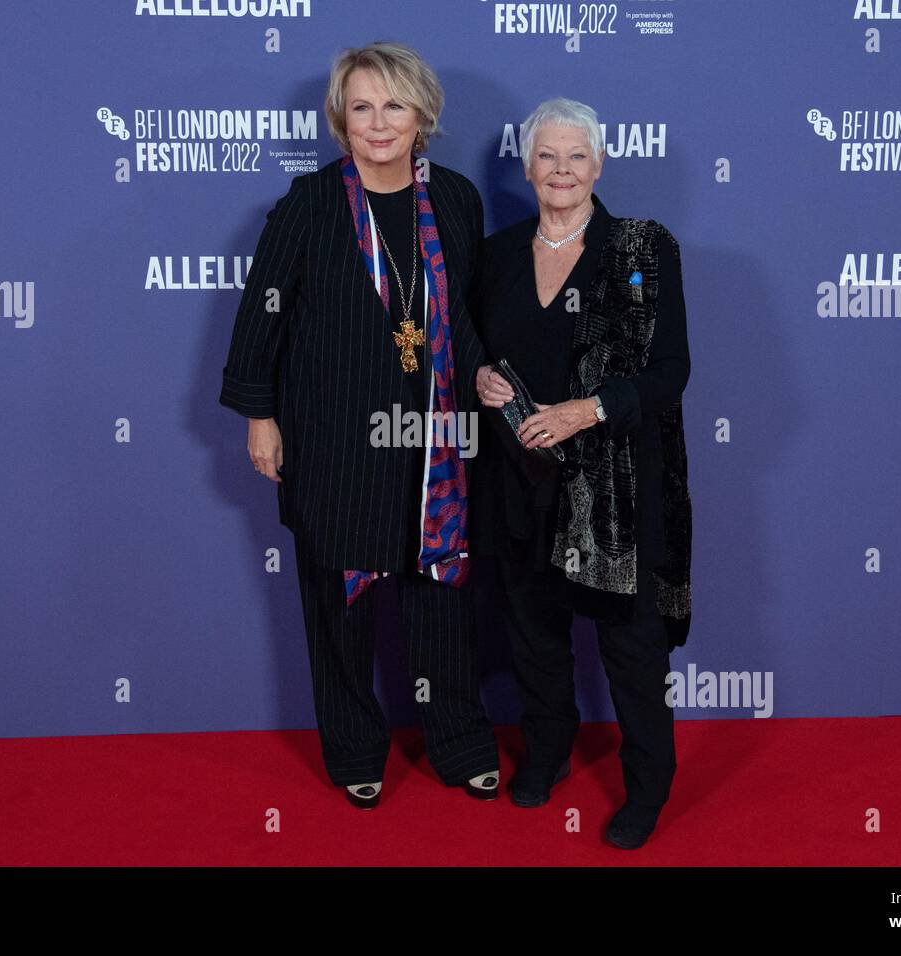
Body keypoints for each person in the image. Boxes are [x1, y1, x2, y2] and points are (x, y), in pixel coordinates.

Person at [218, 41, 500, 810]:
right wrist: (260, 419)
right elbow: (258, 326)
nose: (379, 124)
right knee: (338, 599)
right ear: (341, 117)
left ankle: (462, 740)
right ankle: (351, 750)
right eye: (363, 107)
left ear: (423, 116)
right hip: (336, 438)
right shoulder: (308, 204)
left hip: (436, 440)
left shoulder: (456, 201)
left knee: (441, 597)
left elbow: (463, 317)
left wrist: (484, 377)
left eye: (395, 106)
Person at [469, 97, 693, 848]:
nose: (561, 170)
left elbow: (671, 373)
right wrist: (480, 379)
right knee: (533, 636)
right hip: (519, 479)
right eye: (546, 156)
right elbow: (476, 347)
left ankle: (647, 792)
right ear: (527, 167)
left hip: (615, 490)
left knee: (631, 652)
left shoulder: (640, 248)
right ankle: (547, 755)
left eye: (576, 157)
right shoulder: (496, 255)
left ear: (598, 165)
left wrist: (586, 410)